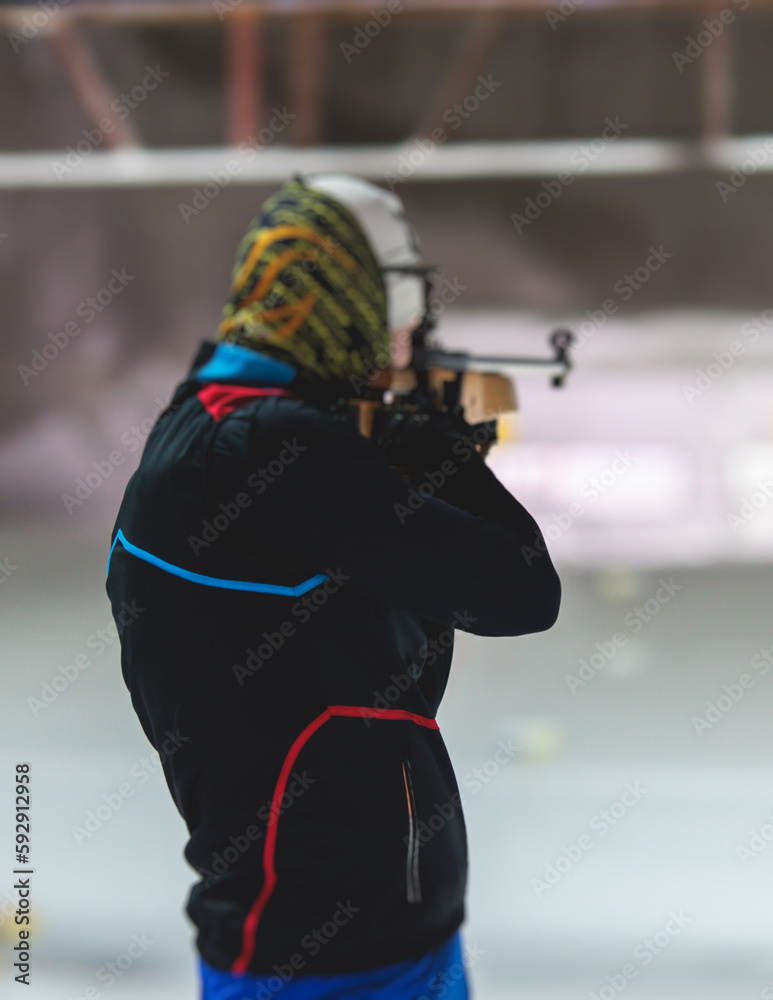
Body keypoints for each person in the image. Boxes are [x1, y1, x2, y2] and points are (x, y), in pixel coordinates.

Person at [105, 174, 561, 1000]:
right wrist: (438, 451)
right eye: (402, 306)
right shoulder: (267, 450)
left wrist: (394, 435)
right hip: (334, 954)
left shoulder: (213, 429)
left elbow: (383, 671)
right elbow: (522, 590)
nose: (414, 332)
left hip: (349, 929)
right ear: (346, 301)